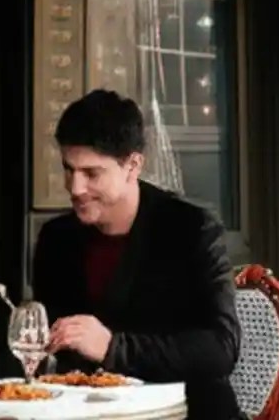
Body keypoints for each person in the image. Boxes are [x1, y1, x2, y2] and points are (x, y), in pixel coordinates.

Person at [32, 89, 241, 419]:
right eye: (69, 169)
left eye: (91, 173)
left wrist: (113, 348)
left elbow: (220, 349)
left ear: (132, 165)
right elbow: (50, 350)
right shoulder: (56, 239)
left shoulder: (192, 229)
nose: (75, 188)